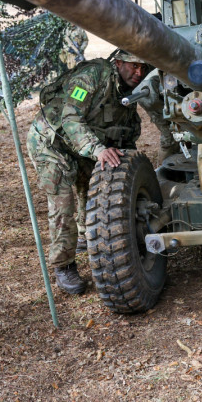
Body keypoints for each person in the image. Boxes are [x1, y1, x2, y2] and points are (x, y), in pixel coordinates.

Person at [25, 48, 147, 295]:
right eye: (134, 66)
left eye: (144, 67)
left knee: (91, 189)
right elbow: (71, 118)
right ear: (120, 62)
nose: (139, 72)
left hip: (84, 144)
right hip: (52, 140)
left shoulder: (128, 91)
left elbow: (125, 134)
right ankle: (63, 266)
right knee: (62, 203)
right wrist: (97, 149)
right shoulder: (93, 75)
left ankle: (83, 238)